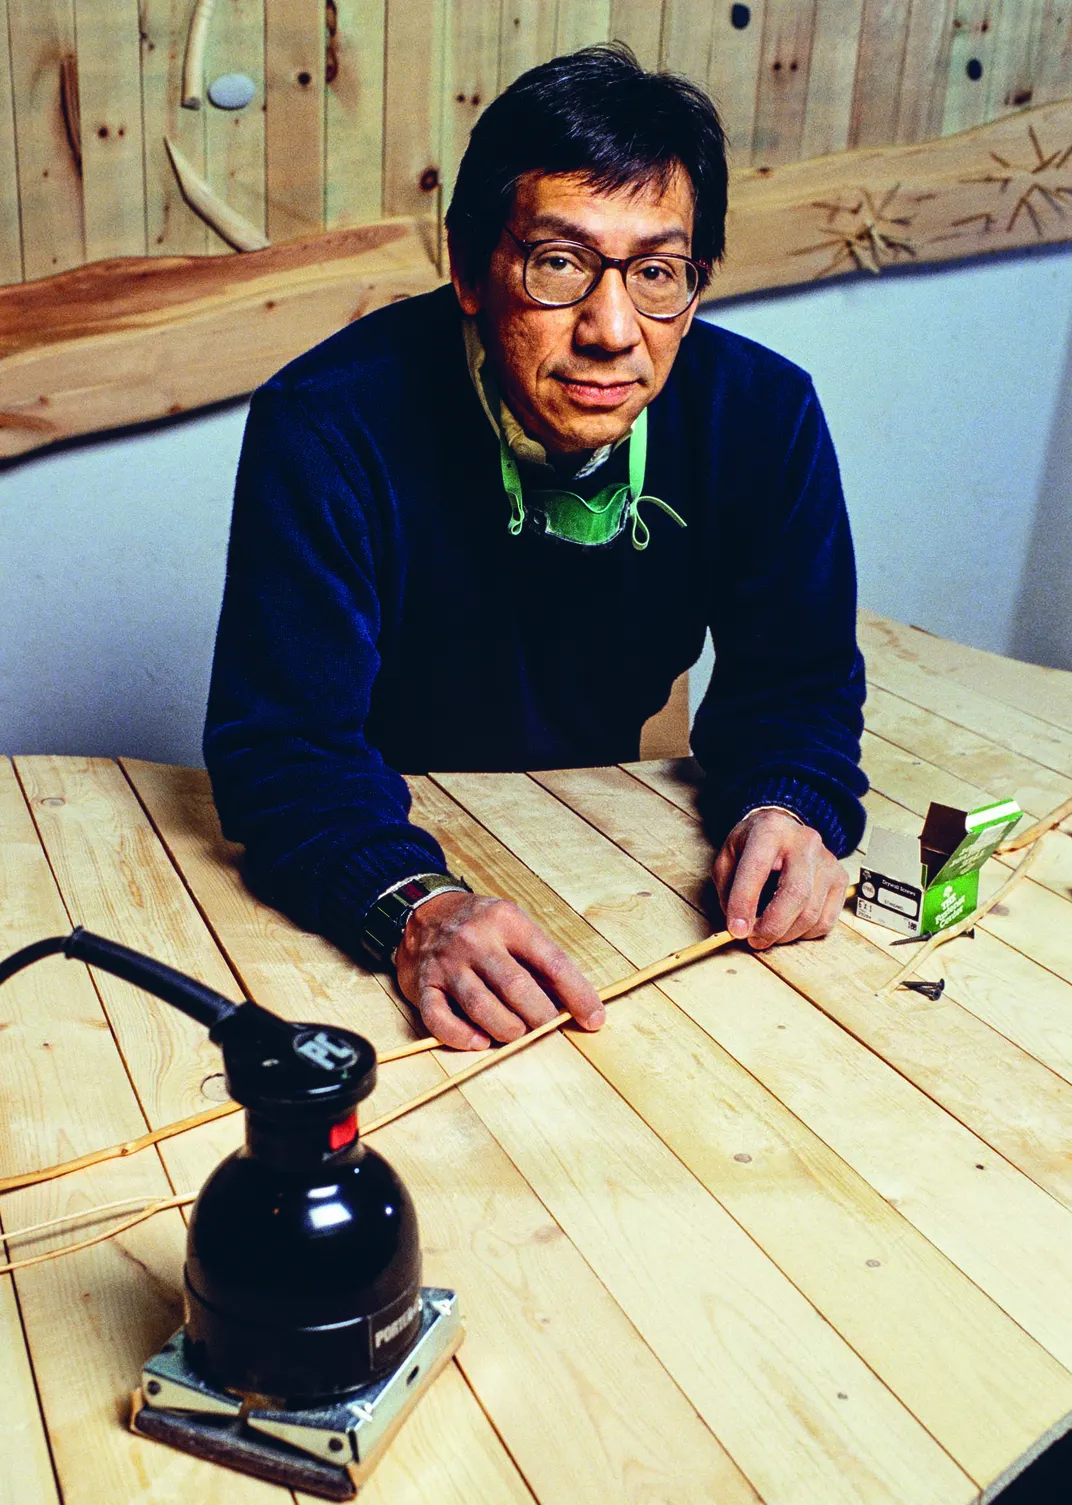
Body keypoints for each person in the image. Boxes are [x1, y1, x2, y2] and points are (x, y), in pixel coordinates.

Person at [204, 44, 867, 1051]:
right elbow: (284, 747)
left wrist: (791, 805)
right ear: (471, 269)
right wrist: (408, 907)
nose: (612, 328)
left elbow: (798, 687)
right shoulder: (327, 423)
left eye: (656, 273)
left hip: (609, 840)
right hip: (391, 830)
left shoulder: (763, 414)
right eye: (559, 263)